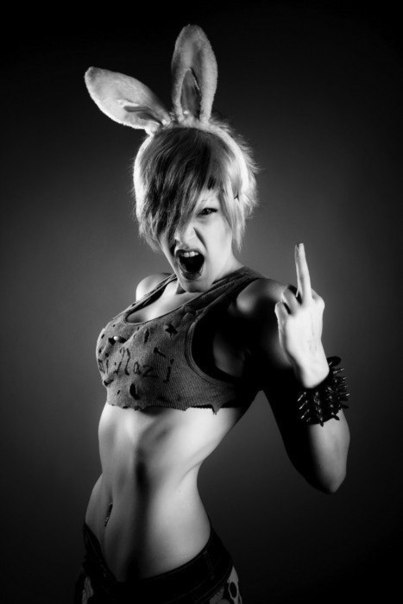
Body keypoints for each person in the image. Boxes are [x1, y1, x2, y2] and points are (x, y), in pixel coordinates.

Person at [75, 25, 350, 603]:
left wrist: (312, 365)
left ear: (234, 204)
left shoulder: (256, 306)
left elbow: (329, 475)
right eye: (166, 213)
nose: (182, 235)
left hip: (177, 587)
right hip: (96, 569)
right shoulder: (150, 289)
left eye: (203, 211)